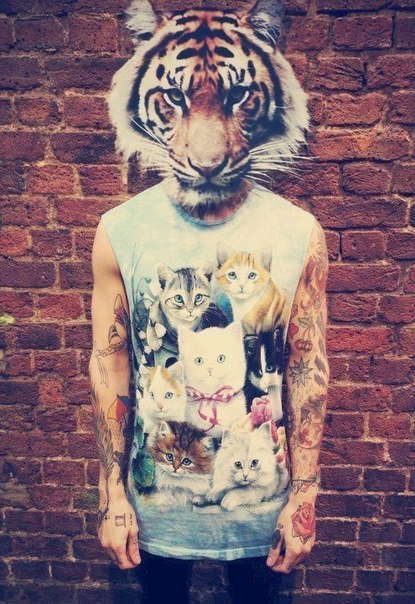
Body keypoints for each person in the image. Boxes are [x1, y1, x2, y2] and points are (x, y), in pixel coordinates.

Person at [89, 1, 329, 602]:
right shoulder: (119, 230)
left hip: (261, 512)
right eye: (172, 101)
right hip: (153, 515)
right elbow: (110, 363)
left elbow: (307, 367)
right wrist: (113, 496)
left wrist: (303, 498)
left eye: (239, 99)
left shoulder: (300, 232)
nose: (205, 151)